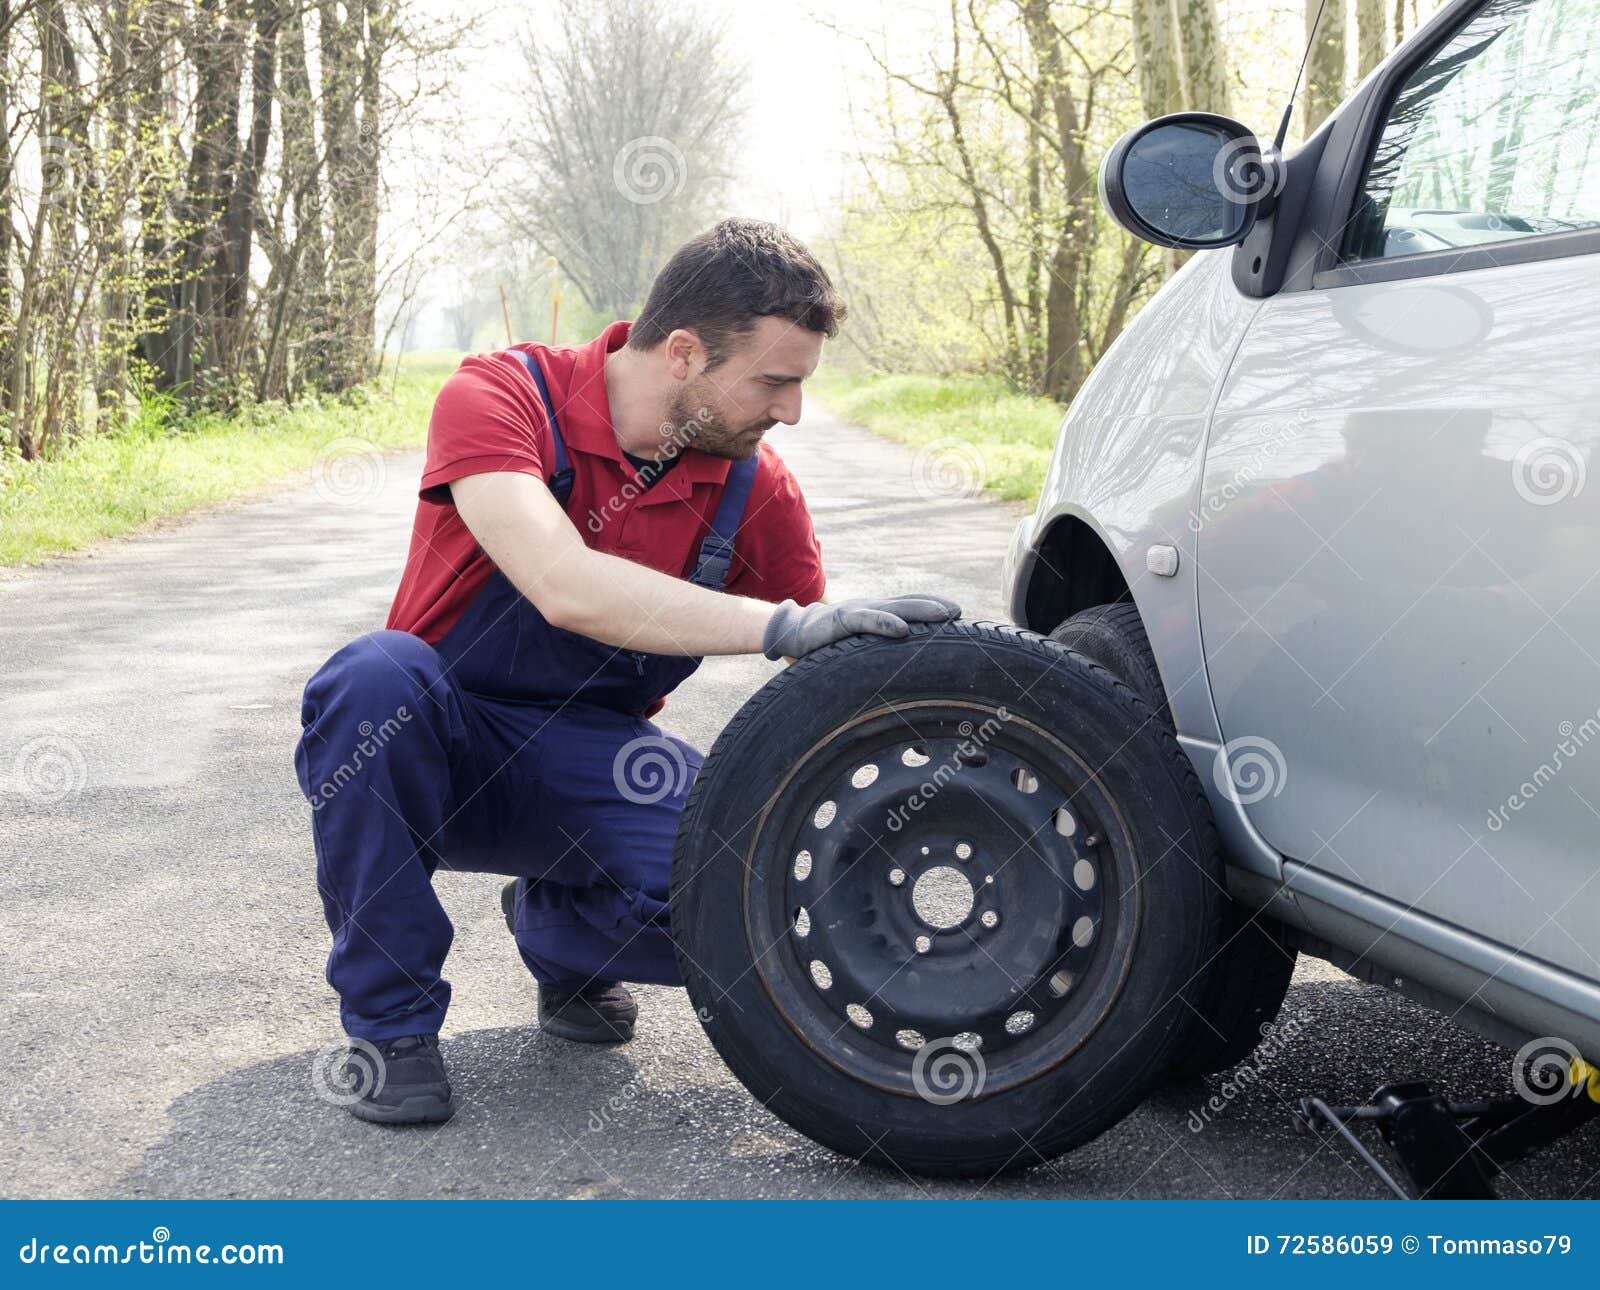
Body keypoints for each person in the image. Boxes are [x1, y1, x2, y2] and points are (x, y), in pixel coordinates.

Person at [294, 219, 960, 1124]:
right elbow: (564, 586)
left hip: (596, 759)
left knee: (756, 902)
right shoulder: (503, 395)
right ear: (684, 352)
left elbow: (824, 678)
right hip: (430, 746)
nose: (792, 411)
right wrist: (783, 626)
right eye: (776, 381)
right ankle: (391, 1024)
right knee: (372, 677)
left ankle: (561, 932)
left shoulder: (753, 490)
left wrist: (959, 716)